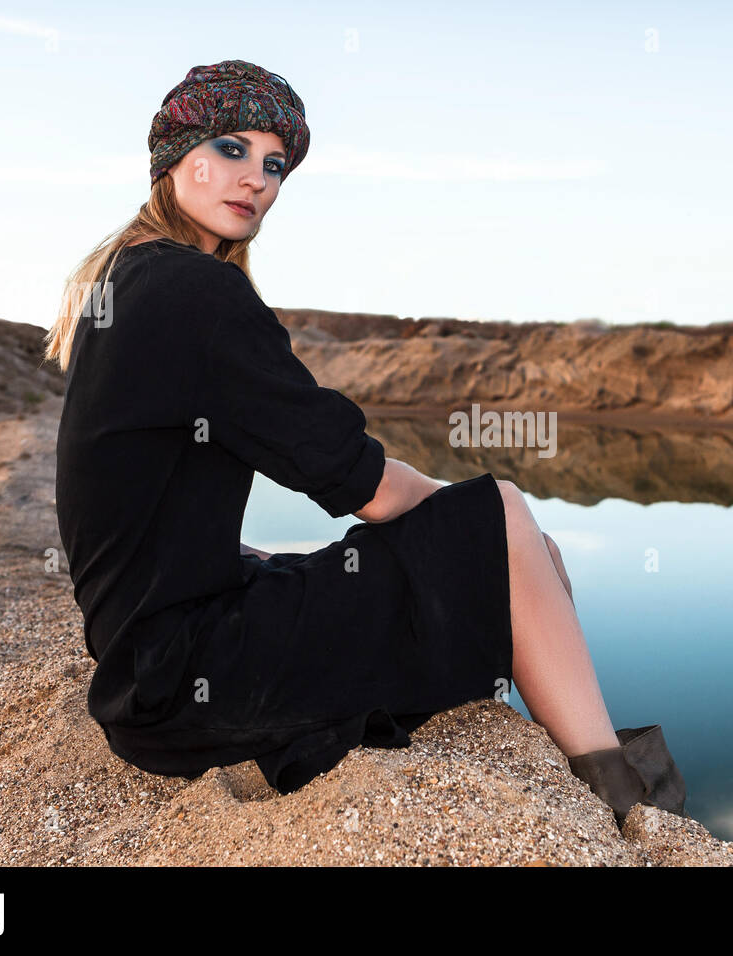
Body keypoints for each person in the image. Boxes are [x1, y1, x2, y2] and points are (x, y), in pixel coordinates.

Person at [43, 59, 687, 830]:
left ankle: (583, 756)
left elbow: (141, 511)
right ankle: (622, 802)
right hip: (188, 681)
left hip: (145, 673)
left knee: (512, 541)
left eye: (274, 164)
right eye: (231, 149)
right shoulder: (195, 291)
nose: (255, 180)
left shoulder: (125, 281)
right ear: (176, 156)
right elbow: (356, 478)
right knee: (505, 513)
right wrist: (484, 524)